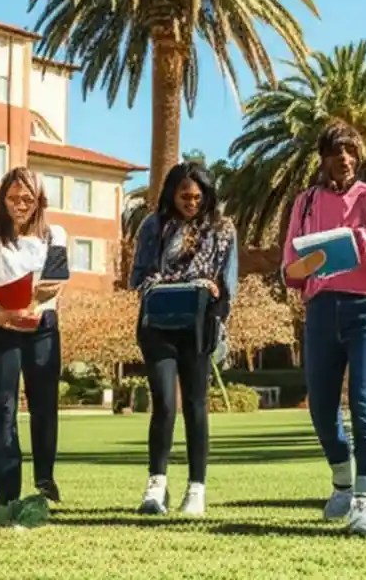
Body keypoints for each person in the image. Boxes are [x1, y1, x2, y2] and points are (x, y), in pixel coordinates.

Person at [282, 122, 366, 536]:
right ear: (323, 158)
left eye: (351, 151)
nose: (344, 159)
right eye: (336, 151)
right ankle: (342, 484)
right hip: (321, 311)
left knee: (365, 402)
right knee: (321, 407)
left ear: (359, 156)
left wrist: (361, 243)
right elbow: (290, 272)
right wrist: (318, 258)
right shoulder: (306, 203)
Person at [130, 162, 239, 516]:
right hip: (158, 323)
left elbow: (228, 283)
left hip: (199, 324)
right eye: (184, 196)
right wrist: (164, 283)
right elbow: (138, 276)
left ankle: (196, 489)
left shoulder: (223, 230)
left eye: (198, 196)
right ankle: (156, 485)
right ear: (171, 194)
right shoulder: (153, 226)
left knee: (196, 405)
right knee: (163, 401)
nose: (191, 202)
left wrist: (213, 289)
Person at [0, 167, 70, 527]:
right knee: (3, 407)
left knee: (44, 406)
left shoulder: (55, 233)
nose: (20, 204)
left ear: (39, 201)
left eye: (27, 198)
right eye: (13, 197)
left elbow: (55, 281)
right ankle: (6, 492)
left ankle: (44, 480)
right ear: (3, 198)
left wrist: (32, 307)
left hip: (41, 326)